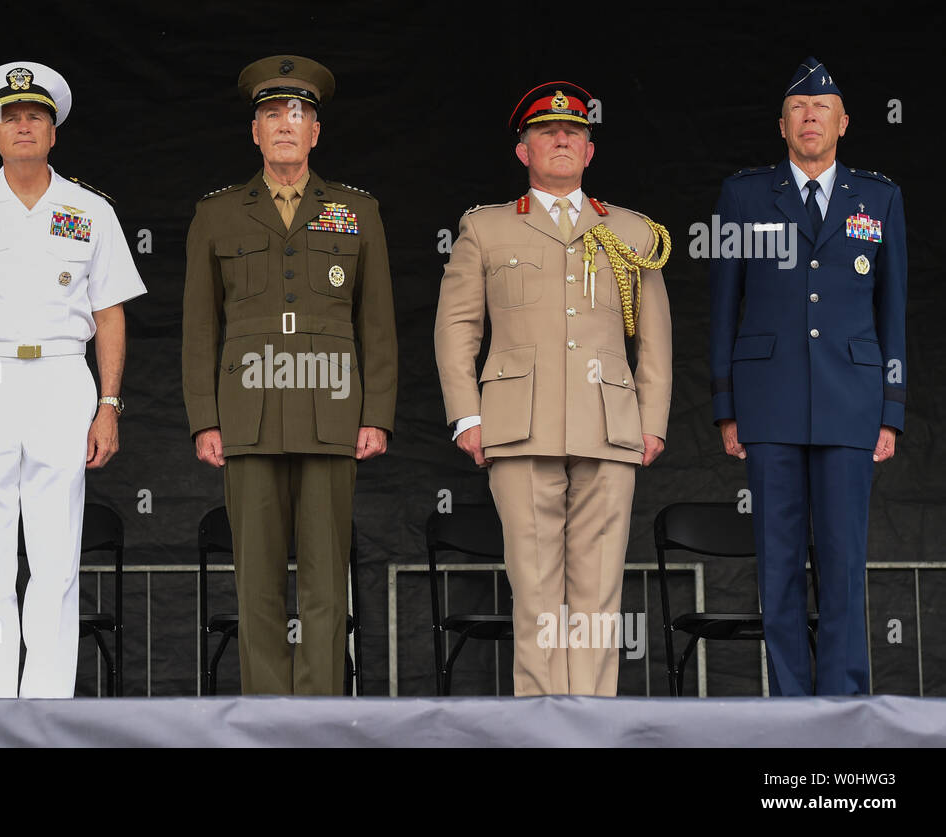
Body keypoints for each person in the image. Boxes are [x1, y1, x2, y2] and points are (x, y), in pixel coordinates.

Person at [0, 61, 145, 698]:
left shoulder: (89, 208)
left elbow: (109, 311)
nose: (22, 127)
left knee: (55, 555)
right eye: (9, 118)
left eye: (34, 116)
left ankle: (47, 701)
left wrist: (109, 402)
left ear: (53, 130)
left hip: (64, 376)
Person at [434, 82, 672, 696]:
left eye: (575, 133)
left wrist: (652, 421)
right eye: (547, 131)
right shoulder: (485, 229)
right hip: (520, 424)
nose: (562, 139)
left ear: (589, 152)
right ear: (524, 151)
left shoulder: (631, 231)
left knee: (598, 590)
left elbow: (655, 339)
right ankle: (539, 721)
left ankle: (592, 720)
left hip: (608, 423)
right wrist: (466, 415)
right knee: (536, 588)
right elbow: (458, 326)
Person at [182, 55, 398, 695]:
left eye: (298, 114)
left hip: (332, 412)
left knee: (329, 582)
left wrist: (376, 413)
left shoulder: (357, 211)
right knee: (257, 584)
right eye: (273, 114)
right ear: (255, 132)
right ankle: (266, 716)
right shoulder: (217, 214)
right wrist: (205, 420)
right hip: (246, 416)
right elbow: (199, 326)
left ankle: (324, 716)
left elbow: (378, 322)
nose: (285, 125)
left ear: (315, 133)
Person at [709, 58, 907, 696]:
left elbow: (893, 309)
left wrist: (891, 409)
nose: (811, 115)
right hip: (768, 402)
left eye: (824, 107)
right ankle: (791, 703)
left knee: (845, 561)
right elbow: (722, 309)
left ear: (844, 123)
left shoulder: (879, 197)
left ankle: (845, 698)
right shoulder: (743, 195)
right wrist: (725, 405)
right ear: (782, 125)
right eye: (799, 107)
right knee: (779, 560)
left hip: (852, 400)